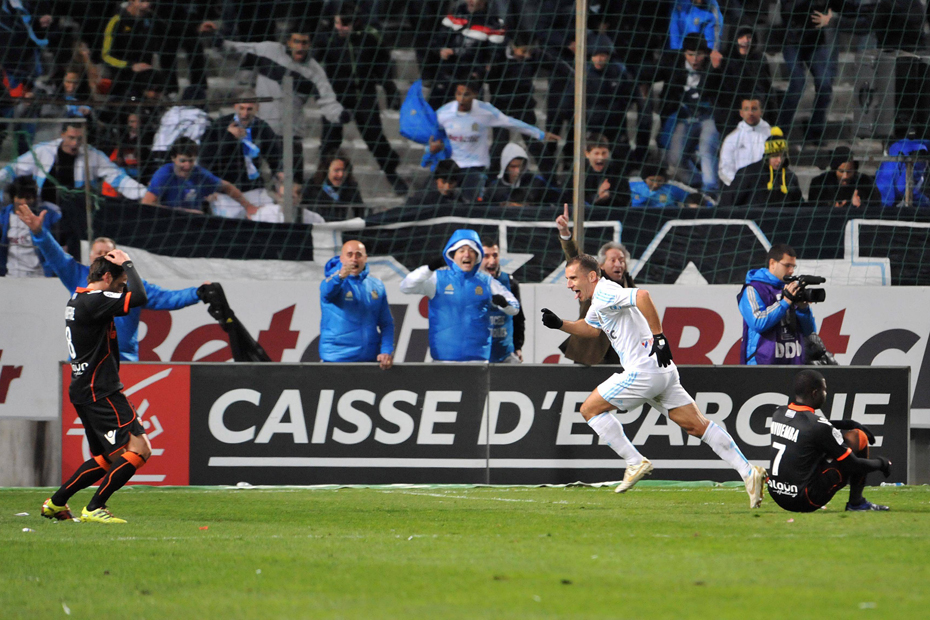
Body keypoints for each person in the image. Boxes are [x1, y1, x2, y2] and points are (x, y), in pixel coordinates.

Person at [539, 254, 767, 505]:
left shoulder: (605, 292)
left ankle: (634, 461)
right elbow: (591, 329)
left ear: (591, 276)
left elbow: (642, 296)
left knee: (589, 409)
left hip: (643, 371)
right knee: (697, 426)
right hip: (662, 371)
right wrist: (560, 324)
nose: (569, 284)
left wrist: (659, 337)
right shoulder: (601, 299)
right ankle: (748, 472)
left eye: (573, 278)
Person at [14, 204, 206, 361]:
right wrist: (39, 232)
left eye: (109, 253)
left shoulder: (133, 285)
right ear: (91, 257)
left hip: (123, 362)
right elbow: (56, 256)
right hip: (87, 361)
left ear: (118, 257)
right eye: (99, 253)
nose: (104, 256)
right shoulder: (76, 275)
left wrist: (197, 293)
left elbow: (168, 298)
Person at [41, 249, 151, 523]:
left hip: (84, 387)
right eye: (121, 284)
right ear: (107, 277)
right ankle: (94, 508)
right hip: (100, 389)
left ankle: (55, 503)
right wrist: (128, 263)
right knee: (140, 449)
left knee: (107, 457)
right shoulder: (95, 299)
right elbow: (140, 297)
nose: (123, 289)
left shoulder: (78, 298)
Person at [0, 121, 146, 260]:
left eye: (80, 139)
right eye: (71, 138)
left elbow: (119, 178)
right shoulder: (43, 151)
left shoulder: (93, 156)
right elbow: (11, 169)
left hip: (76, 218)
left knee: (73, 253)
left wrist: (144, 194)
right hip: (44, 214)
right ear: (62, 134)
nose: (75, 143)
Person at [312, 3, 408, 195]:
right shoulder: (327, 38)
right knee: (330, 140)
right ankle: (323, 180)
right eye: (337, 23)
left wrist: (390, 90)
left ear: (355, 23)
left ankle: (391, 171)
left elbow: (382, 65)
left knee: (374, 136)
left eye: (344, 24)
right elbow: (313, 65)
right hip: (336, 96)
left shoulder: (369, 37)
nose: (340, 28)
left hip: (363, 93)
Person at [767, 369, 892, 512]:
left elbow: (806, 426)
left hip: (778, 495)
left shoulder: (779, 413)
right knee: (859, 438)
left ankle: (856, 503)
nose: (825, 394)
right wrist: (882, 463)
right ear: (815, 393)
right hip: (805, 500)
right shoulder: (819, 427)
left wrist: (848, 423)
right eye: (824, 390)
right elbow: (854, 465)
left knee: (815, 449)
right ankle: (856, 503)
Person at [399, 228, 520, 362]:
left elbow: (515, 308)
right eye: (461, 250)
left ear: (477, 255)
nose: (467, 254)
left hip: (477, 361)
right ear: (452, 255)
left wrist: (504, 304)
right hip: (443, 361)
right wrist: (428, 269)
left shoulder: (487, 282)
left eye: (471, 250)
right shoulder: (437, 279)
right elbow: (406, 287)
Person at [430, 81, 558, 203]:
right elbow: (430, 134)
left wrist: (540, 134)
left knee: (471, 204)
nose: (461, 99)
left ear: (475, 95)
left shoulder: (485, 111)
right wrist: (431, 149)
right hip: (451, 167)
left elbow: (510, 122)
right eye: (458, 94)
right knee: (438, 199)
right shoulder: (444, 113)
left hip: (475, 167)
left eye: (466, 94)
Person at [555, 204, 634, 365]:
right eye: (613, 260)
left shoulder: (629, 283)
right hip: (592, 350)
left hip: (619, 351)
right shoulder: (592, 280)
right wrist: (565, 233)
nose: (618, 264)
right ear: (601, 265)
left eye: (621, 260)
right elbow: (574, 257)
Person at [655, 33, 724, 196]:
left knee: (707, 147)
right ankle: (697, 184)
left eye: (699, 54)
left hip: (709, 117)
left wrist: (715, 68)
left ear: (705, 54)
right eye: (690, 54)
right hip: (685, 116)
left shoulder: (713, 66)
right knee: (675, 157)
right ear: (684, 53)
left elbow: (714, 90)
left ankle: (711, 189)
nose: (694, 59)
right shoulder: (674, 66)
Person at [199, 93, 286, 221]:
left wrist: (280, 176)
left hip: (253, 188)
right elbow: (206, 159)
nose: (245, 114)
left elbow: (275, 157)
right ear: (235, 107)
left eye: (249, 109)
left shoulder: (262, 128)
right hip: (226, 192)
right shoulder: (219, 126)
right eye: (242, 108)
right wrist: (229, 138)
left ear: (257, 108)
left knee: (272, 218)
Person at [737, 243, 817, 365]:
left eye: (793, 266)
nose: (791, 271)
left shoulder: (791, 289)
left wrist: (803, 309)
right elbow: (758, 322)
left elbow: (809, 331)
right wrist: (785, 302)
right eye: (787, 265)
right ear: (772, 263)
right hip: (762, 364)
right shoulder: (754, 289)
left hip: (794, 361)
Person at [319, 240, 394, 369]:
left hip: (369, 360)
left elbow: (386, 323)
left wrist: (386, 351)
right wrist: (340, 276)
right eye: (349, 254)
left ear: (365, 258)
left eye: (359, 255)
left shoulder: (376, 286)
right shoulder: (332, 282)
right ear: (342, 258)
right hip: (336, 360)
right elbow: (327, 292)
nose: (354, 259)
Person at [142, 137, 261, 218]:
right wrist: (185, 212)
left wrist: (248, 206)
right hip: (167, 220)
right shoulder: (164, 174)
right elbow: (146, 203)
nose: (187, 166)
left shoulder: (199, 174)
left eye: (191, 161)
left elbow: (227, 187)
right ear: (173, 158)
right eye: (183, 161)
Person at [776, 0, 843, 142]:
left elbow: (841, 6)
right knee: (798, 83)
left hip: (815, 42)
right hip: (792, 41)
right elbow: (789, 9)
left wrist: (830, 17)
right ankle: (780, 132)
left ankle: (815, 130)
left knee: (825, 84)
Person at [719, 128, 806, 208]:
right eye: (775, 155)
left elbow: (799, 206)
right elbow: (729, 201)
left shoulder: (790, 177)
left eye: (782, 156)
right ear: (767, 156)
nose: (779, 160)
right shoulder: (749, 173)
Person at [101, 0, 166, 98]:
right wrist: (130, 66)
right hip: (120, 73)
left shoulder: (151, 20)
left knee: (158, 81)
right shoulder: (117, 21)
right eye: (141, 1)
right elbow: (106, 56)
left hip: (143, 74)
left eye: (148, 1)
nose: (146, 5)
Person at [1, 176, 60, 277]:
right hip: (12, 275)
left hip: (40, 276)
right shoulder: (3, 218)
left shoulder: (46, 217)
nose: (25, 201)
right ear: (13, 198)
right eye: (21, 197)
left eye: (29, 197)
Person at [481, 239, 525, 363]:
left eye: (495, 255)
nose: (492, 261)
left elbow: (518, 318)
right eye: (486, 256)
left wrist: (518, 347)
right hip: (477, 355)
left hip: (505, 354)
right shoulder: (470, 282)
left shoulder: (510, 282)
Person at [718, 97, 772, 187]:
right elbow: (725, 168)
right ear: (741, 113)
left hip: (767, 186)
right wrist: (739, 184)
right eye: (746, 109)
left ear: (761, 112)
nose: (750, 113)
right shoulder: (732, 138)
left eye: (754, 109)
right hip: (741, 188)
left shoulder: (771, 135)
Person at [483, 143, 552, 207]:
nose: (517, 171)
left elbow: (548, 205)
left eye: (520, 166)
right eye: (513, 167)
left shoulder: (536, 183)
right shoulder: (495, 188)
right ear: (505, 166)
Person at [301, 152, 365, 221]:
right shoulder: (312, 185)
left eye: (343, 170)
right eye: (336, 170)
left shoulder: (350, 187)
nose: (341, 174)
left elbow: (360, 211)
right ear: (326, 170)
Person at [807, 147, 877, 208]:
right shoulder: (819, 184)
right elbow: (814, 208)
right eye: (841, 171)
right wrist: (831, 208)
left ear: (855, 170)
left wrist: (860, 206)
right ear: (834, 170)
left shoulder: (865, 183)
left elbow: (875, 207)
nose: (845, 176)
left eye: (849, 172)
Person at [629, 164, 694, 208]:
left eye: (659, 181)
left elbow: (690, 198)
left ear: (664, 180)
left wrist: (691, 204)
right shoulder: (633, 187)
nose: (655, 185)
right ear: (645, 179)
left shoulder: (672, 188)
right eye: (652, 180)